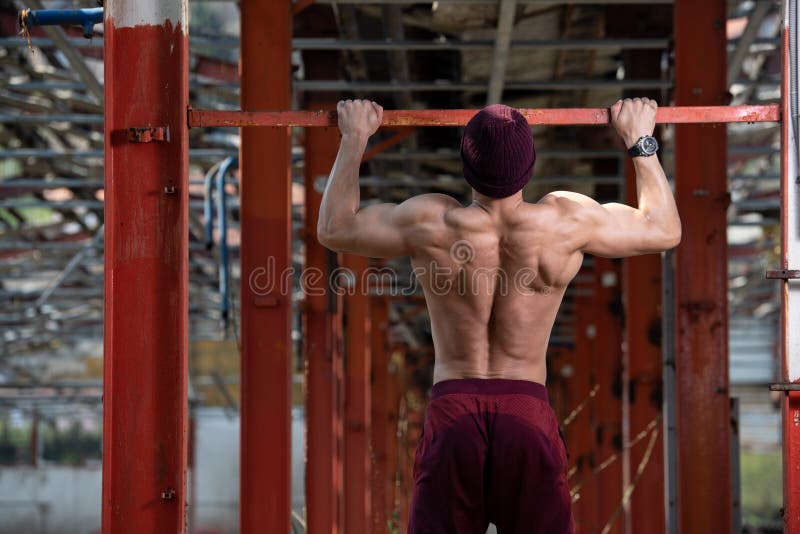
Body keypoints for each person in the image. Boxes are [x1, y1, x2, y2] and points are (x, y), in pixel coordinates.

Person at [317, 98, 680, 534]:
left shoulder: (430, 222)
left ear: (467, 166)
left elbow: (335, 228)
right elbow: (663, 230)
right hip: (525, 411)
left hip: (454, 412)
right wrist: (639, 139)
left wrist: (354, 137)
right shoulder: (565, 221)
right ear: (529, 166)